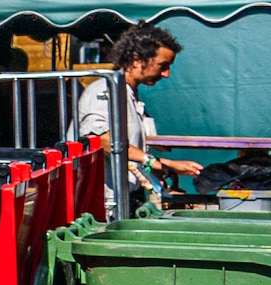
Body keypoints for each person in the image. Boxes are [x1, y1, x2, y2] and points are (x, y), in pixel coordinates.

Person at [77, 24, 202, 208]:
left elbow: (133, 151)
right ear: (136, 60)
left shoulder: (130, 95)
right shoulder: (105, 90)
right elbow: (101, 138)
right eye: (163, 66)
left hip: (126, 198)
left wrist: (155, 170)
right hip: (103, 204)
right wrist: (158, 163)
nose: (166, 74)